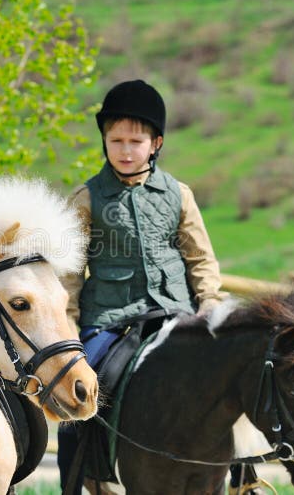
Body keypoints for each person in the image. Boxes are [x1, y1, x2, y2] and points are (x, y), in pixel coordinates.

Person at [57, 79, 223, 493]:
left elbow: (200, 259)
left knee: (228, 381)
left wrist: (209, 304)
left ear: (156, 144)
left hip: (176, 313)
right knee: (79, 397)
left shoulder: (179, 195)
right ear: (105, 142)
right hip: (110, 321)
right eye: (116, 141)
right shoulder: (86, 198)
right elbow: (70, 274)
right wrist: (70, 328)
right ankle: (78, 480)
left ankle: (242, 477)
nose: (126, 150)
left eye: (136, 141)